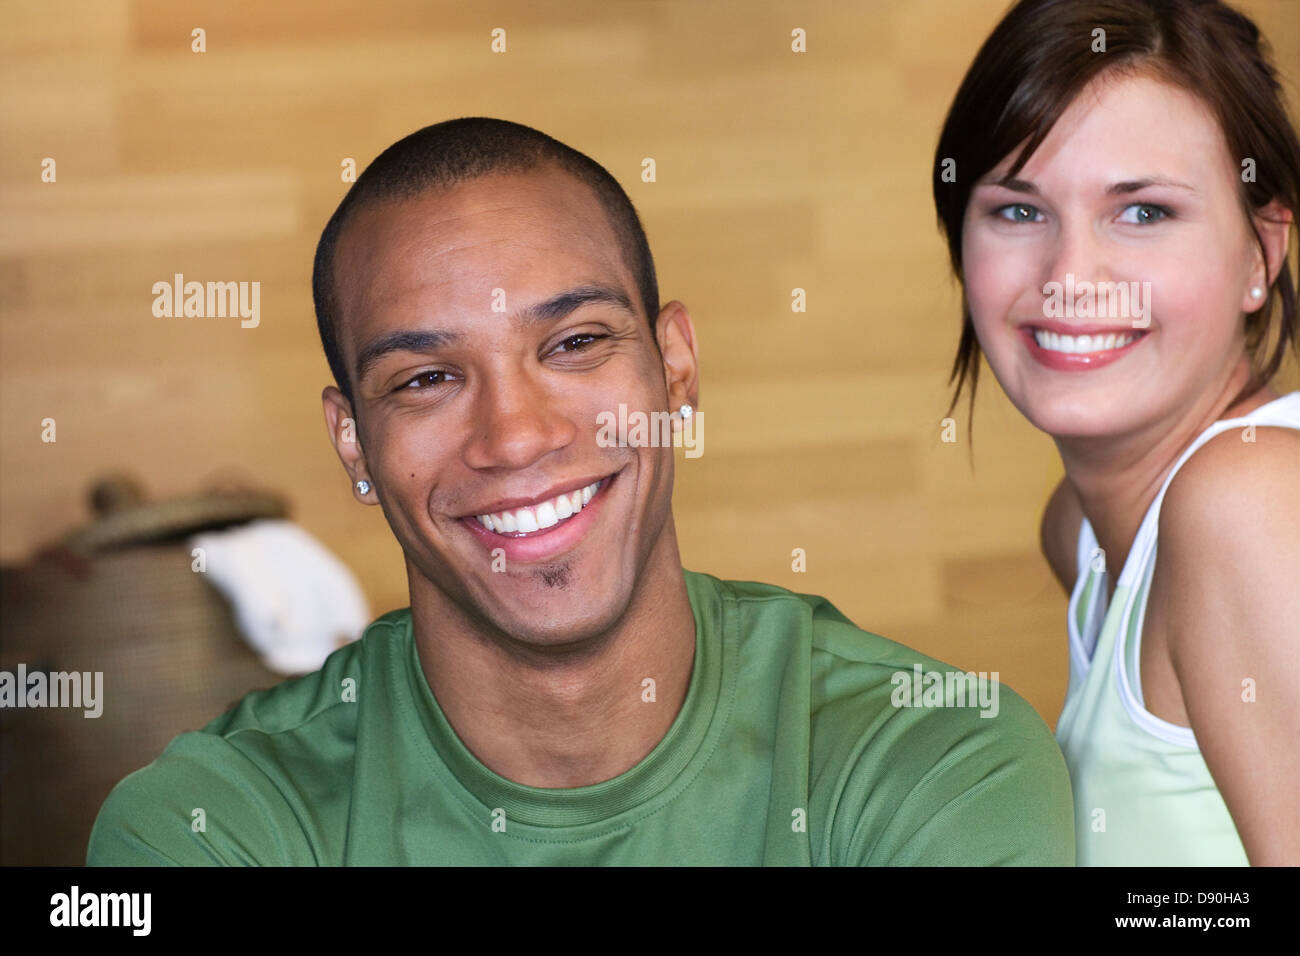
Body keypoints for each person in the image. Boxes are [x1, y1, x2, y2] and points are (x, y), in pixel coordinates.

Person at [87, 117, 1073, 865]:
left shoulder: (932, 756)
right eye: (426, 378)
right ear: (353, 440)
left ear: (676, 367)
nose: (517, 435)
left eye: (574, 343)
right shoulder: (215, 827)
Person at [932, 0, 1300, 865]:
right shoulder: (1081, 529)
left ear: (1262, 252)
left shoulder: (1251, 506)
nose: (1070, 277)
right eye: (1018, 212)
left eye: (1143, 213)